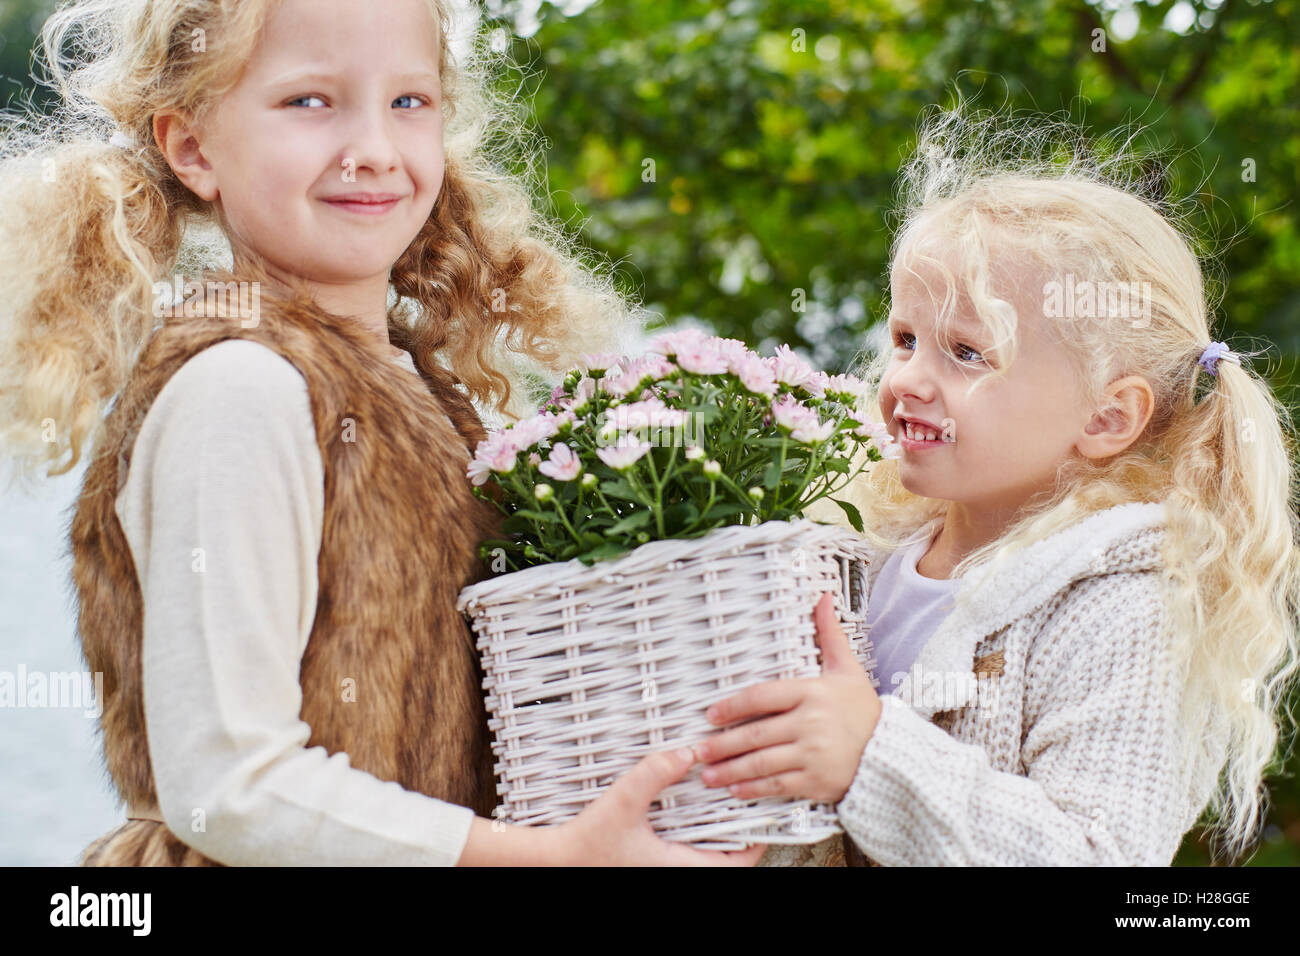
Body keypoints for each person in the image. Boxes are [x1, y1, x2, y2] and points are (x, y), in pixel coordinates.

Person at [0, 0, 764, 867]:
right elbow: (226, 788)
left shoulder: (419, 382)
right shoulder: (240, 388)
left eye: (409, 102)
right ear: (193, 148)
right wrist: (557, 859)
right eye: (310, 102)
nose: (374, 148)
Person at [694, 102, 1300, 866]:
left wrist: (870, 757)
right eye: (906, 338)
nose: (908, 378)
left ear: (1108, 417)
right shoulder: (869, 543)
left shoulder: (1128, 608)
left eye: (967, 353)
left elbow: (1093, 855)